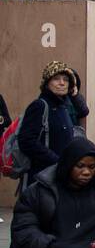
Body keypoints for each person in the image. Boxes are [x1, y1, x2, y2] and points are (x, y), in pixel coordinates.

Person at [16, 62, 81, 193]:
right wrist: (55, 160)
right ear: (47, 83)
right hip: (41, 178)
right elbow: (26, 141)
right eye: (56, 79)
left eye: (66, 79)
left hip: (60, 175)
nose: (62, 83)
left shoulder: (63, 107)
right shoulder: (40, 106)